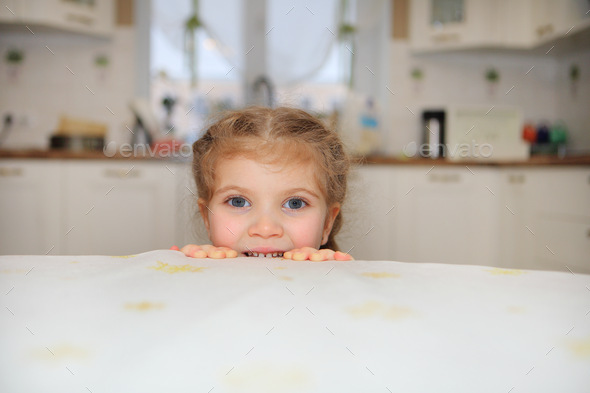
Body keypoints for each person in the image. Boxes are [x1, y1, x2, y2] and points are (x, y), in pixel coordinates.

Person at [172, 106, 353, 262]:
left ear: (327, 223)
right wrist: (188, 276)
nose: (265, 229)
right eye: (238, 202)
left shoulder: (336, 284)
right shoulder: (194, 277)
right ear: (207, 218)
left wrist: (334, 282)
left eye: (295, 203)